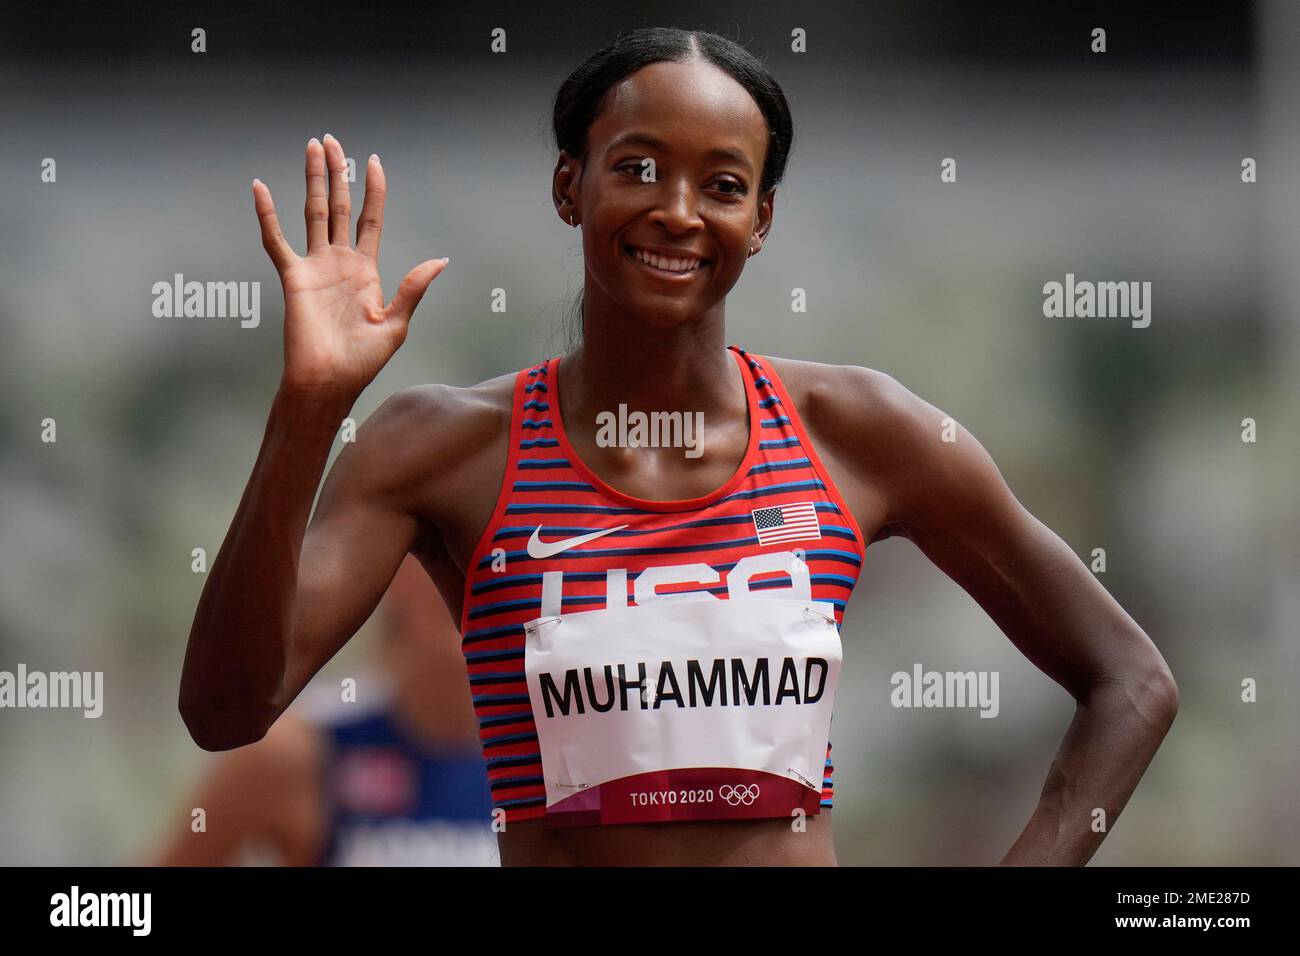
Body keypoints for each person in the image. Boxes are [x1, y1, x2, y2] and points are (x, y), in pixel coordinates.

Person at [180, 27, 1178, 866]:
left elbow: (1130, 681)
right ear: (570, 187)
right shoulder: (441, 450)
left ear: (761, 220)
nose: (678, 210)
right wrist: (307, 410)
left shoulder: (864, 431)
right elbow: (227, 707)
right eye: (639, 167)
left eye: (724, 182)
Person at [154, 556, 497, 866]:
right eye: (444, 541)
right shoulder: (303, 749)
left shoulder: (544, 754)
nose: (470, 572)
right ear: (395, 566)